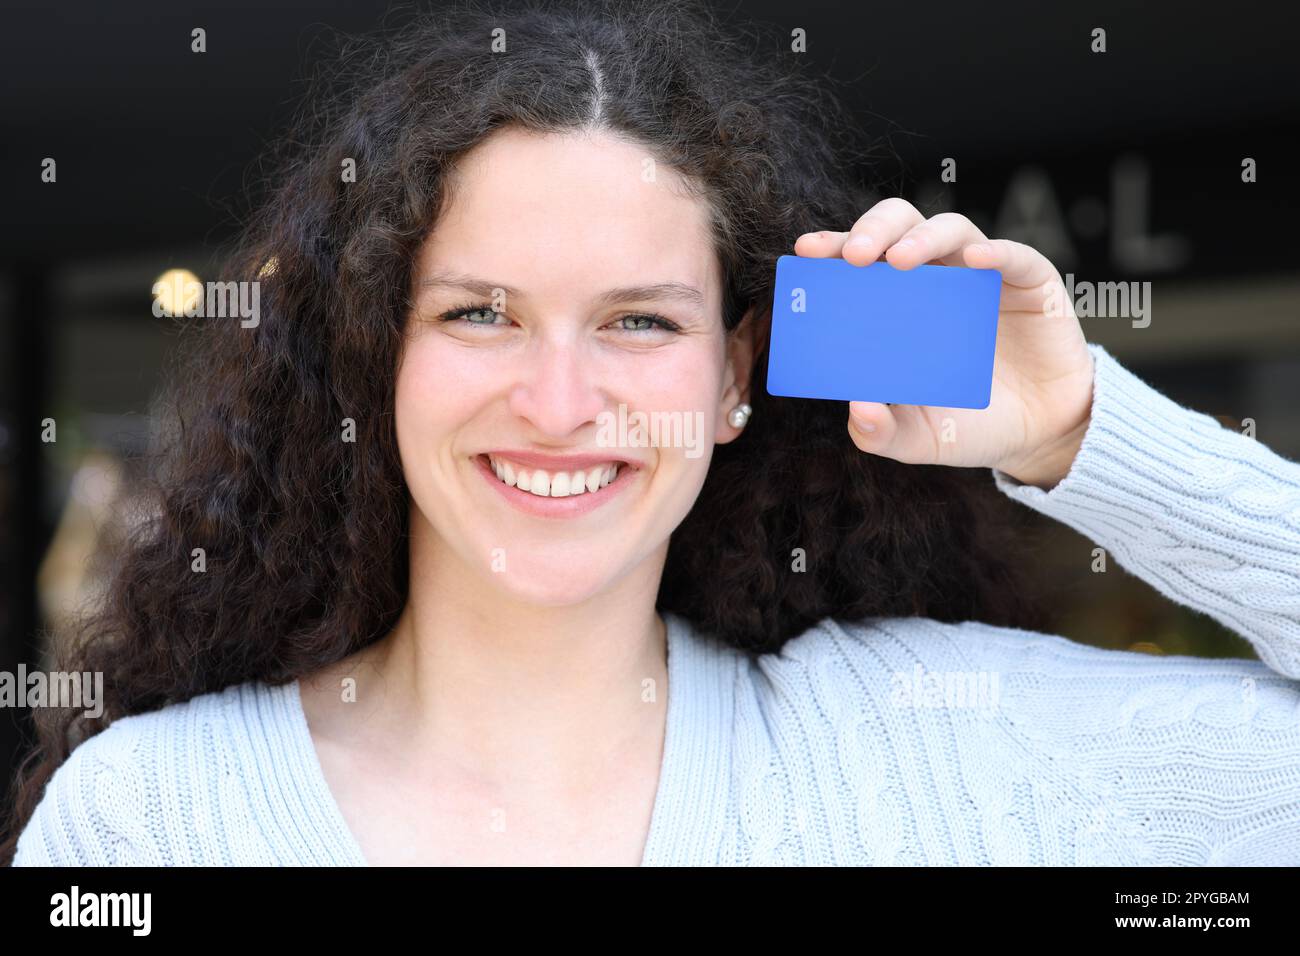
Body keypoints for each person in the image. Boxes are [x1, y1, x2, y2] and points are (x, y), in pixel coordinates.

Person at [6, 0, 1299, 866]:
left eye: (636, 324)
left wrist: (1080, 429)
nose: (560, 401)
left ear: (736, 373)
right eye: (480, 314)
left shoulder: (938, 744)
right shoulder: (152, 824)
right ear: (377, 354)